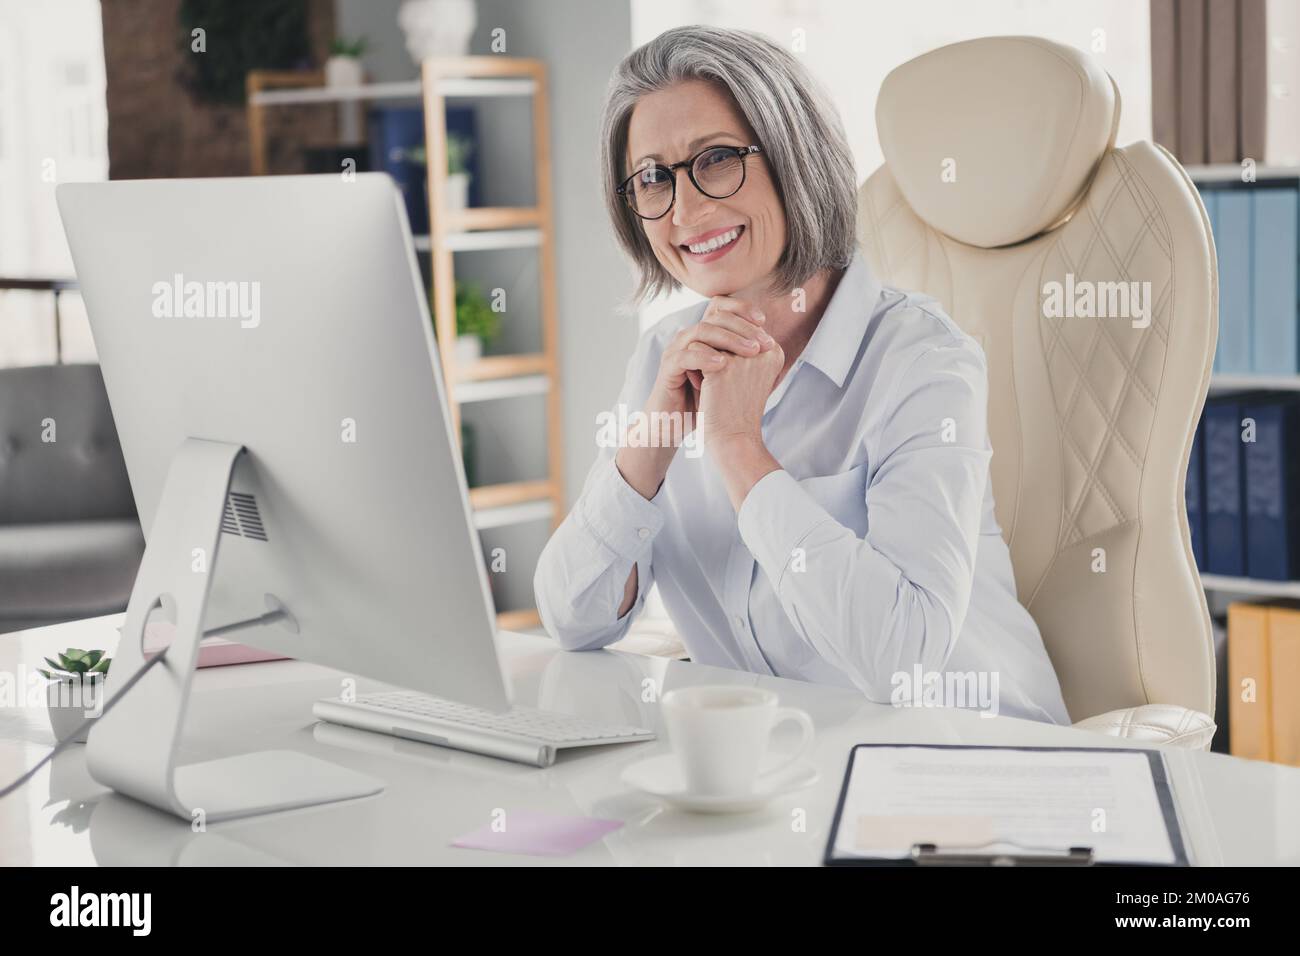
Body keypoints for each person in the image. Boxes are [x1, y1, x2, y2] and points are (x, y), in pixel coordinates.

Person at [534, 25, 1070, 724]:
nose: (686, 210)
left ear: (795, 157)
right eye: (653, 178)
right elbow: (572, 620)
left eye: (717, 159)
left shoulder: (923, 360)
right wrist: (651, 444)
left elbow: (901, 660)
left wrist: (737, 448)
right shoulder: (667, 356)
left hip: (973, 765)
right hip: (787, 773)